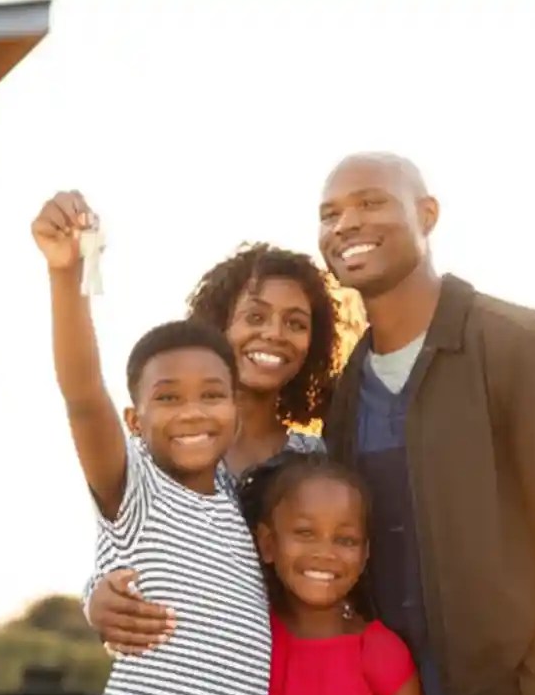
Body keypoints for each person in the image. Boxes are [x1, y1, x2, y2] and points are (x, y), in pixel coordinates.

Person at [318, 152, 535, 695]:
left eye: (370, 202)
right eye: (330, 214)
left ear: (427, 215)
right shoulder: (346, 395)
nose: (346, 225)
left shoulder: (524, 345)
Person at [33, 191, 269, 695]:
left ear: (235, 410)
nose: (192, 413)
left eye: (212, 395)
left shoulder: (244, 499)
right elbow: (83, 395)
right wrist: (65, 278)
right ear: (135, 423)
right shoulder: (135, 489)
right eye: (168, 398)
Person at [83, 242, 351, 654]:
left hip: (290, 676)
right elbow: (125, 539)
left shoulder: (316, 461)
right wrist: (95, 597)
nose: (275, 334)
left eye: (296, 323)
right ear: (219, 325)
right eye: (255, 316)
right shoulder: (170, 453)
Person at [240, 450, 427, 695]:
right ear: (268, 543)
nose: (326, 554)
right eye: (305, 533)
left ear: (364, 555)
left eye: (345, 540)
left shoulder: (380, 652)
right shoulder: (251, 639)